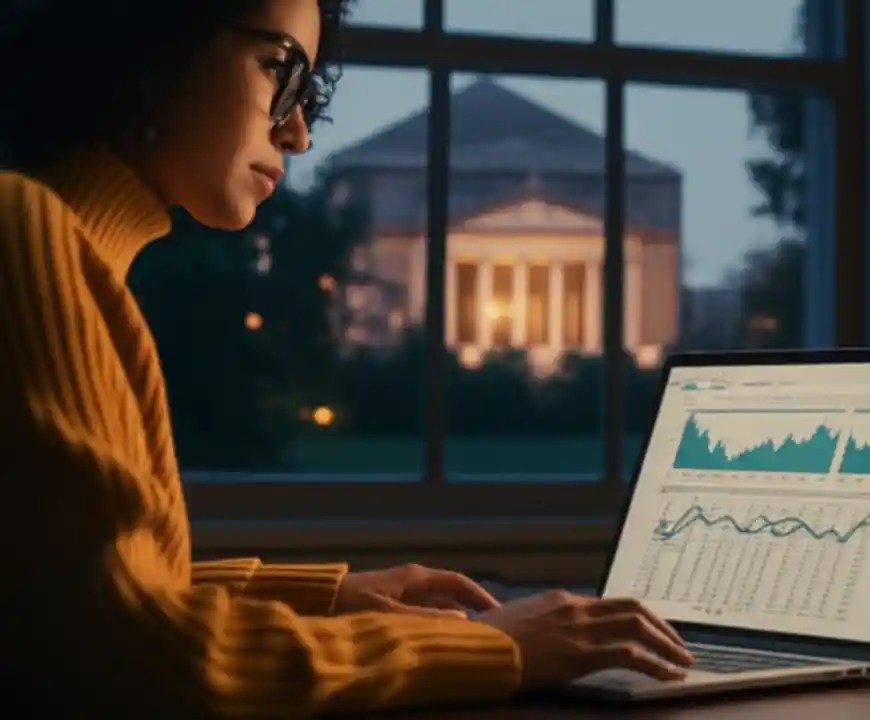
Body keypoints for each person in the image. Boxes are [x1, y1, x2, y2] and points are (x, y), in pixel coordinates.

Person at [0, 0, 693, 716]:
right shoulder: (23, 232)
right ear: (147, 42)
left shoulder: (68, 252)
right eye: (279, 69)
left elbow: (75, 600)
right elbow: (139, 655)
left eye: (307, 93)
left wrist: (333, 597)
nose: (297, 132)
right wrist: (496, 647)